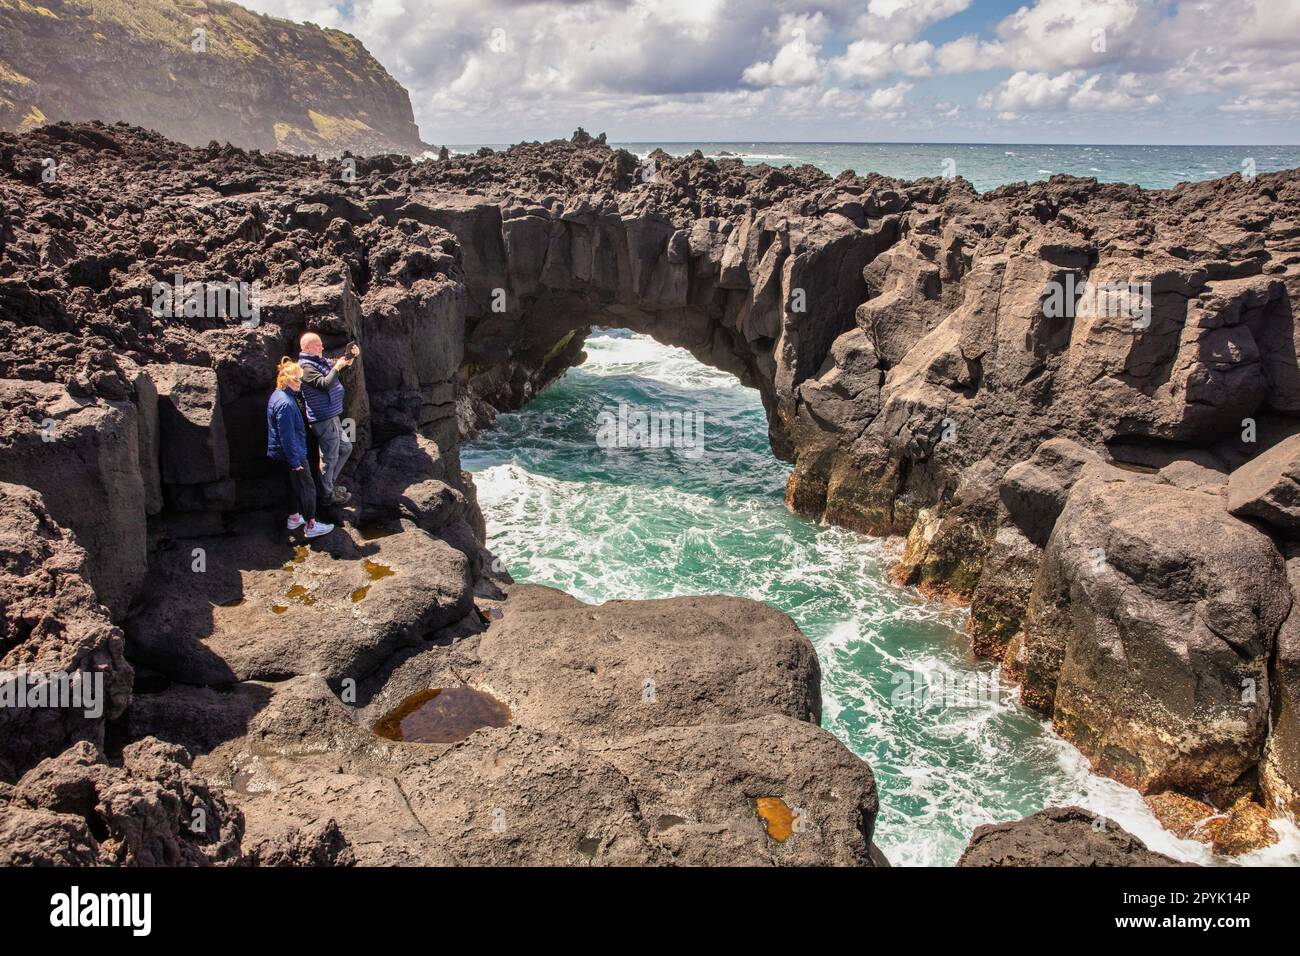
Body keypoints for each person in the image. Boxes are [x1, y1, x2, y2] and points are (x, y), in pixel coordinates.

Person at [267, 357, 334, 539]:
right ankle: (311, 524)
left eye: (300, 379)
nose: (300, 383)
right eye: (296, 379)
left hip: (285, 453)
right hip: (292, 453)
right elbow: (287, 436)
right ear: (285, 379)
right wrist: (295, 461)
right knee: (307, 487)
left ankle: (294, 517)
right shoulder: (285, 403)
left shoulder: (279, 395)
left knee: (293, 487)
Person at [297, 332, 358, 505]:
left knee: (345, 448)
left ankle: (328, 485)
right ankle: (326, 496)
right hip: (322, 419)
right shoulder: (305, 367)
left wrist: (349, 357)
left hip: (333, 415)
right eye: (318, 345)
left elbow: (335, 368)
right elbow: (323, 384)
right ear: (307, 348)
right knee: (329, 458)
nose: (322, 348)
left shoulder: (318, 361)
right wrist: (337, 367)